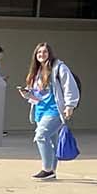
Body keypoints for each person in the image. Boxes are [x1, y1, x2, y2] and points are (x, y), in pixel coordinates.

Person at [20, 42, 78, 180]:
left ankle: (47, 170)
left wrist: (70, 105)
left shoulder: (59, 68)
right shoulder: (37, 71)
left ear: (50, 53)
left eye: (44, 52)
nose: (41, 55)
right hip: (40, 110)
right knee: (52, 141)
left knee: (40, 136)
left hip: (55, 110)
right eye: (39, 52)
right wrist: (27, 94)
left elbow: (69, 85)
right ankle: (52, 171)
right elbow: (39, 94)